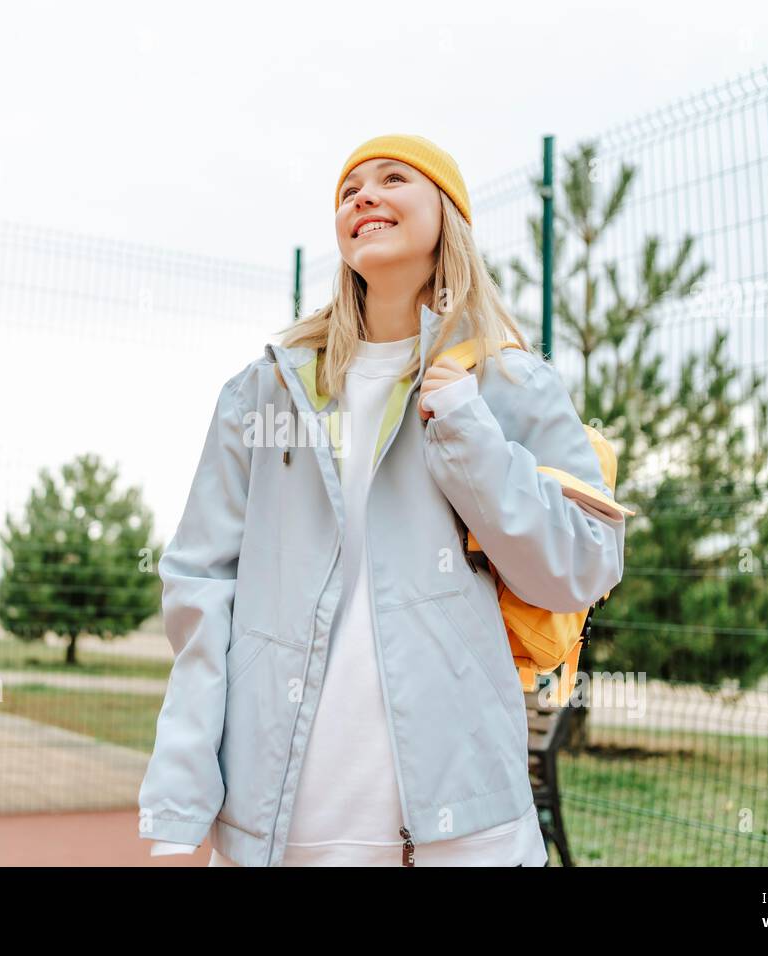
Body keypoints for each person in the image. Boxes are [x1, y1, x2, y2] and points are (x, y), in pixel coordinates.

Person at [138, 134, 626, 866]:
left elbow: (584, 566)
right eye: (348, 189)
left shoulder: (509, 383)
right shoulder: (264, 392)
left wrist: (468, 431)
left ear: (447, 215)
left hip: (464, 830)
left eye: (394, 177)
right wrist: (181, 797)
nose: (363, 195)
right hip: (278, 828)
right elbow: (201, 588)